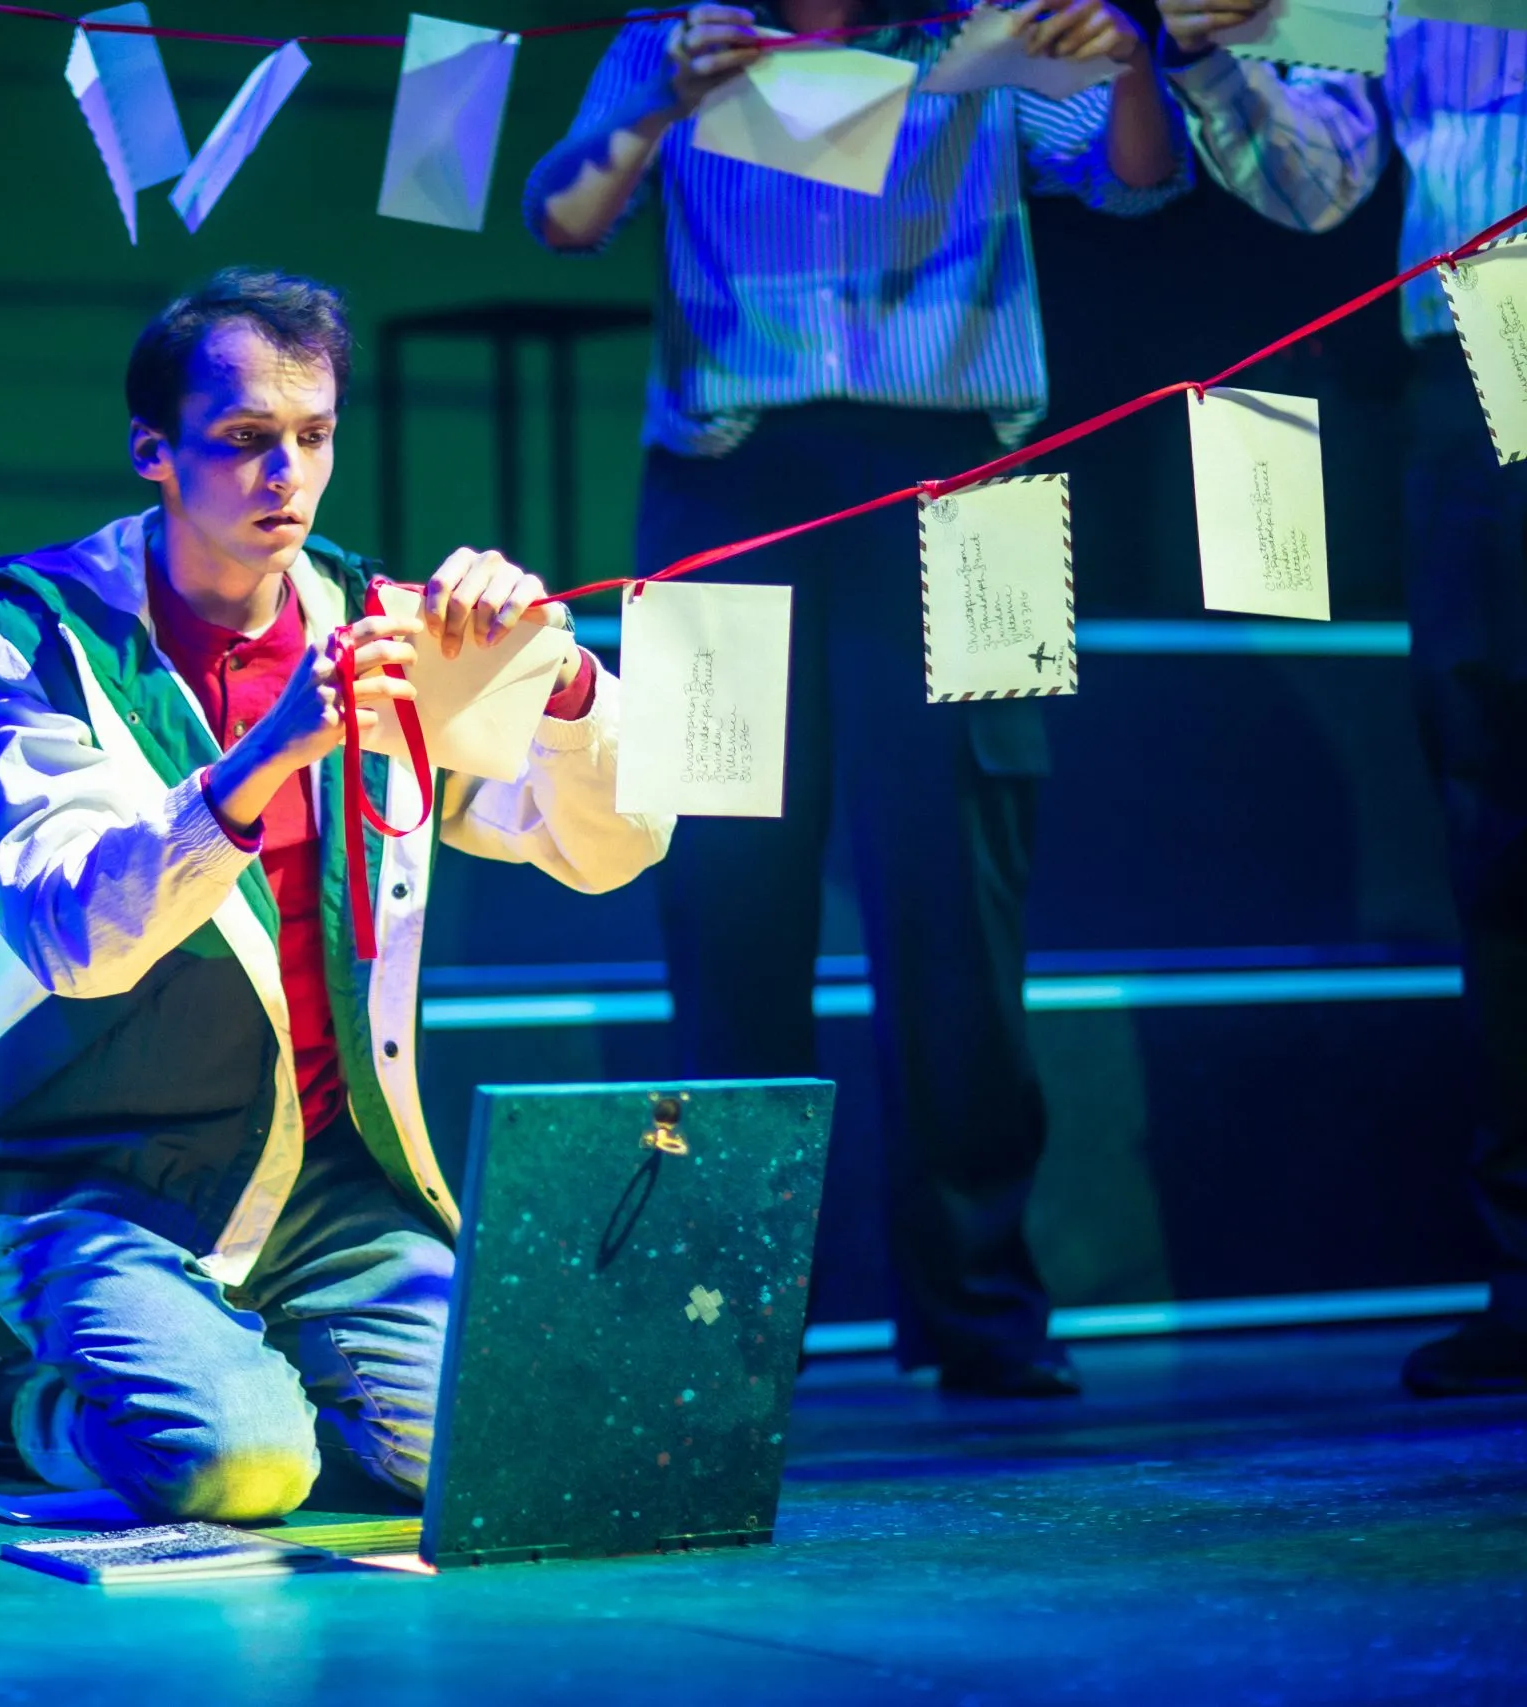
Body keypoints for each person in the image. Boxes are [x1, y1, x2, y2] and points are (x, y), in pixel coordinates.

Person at [527, 0, 1189, 1397]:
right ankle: (731, 1313)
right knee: (728, 899)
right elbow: (564, 218)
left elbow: (1138, 176)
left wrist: (1132, 59)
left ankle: (983, 1303)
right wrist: (656, 108)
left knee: (963, 894)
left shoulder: (987, 29)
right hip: (728, 475)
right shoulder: (673, 37)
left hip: (969, 480)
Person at [0, 268, 672, 1521]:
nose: (286, 474)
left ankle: (256, 1376)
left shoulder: (382, 625)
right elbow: (71, 934)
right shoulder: (28, 642)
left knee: (512, 1450)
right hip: (100, 1173)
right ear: (151, 450)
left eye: (312, 437)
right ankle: (37, 1407)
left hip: (330, 1184)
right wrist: (263, 754)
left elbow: (603, 849)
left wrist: (559, 687)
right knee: (242, 1467)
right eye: (243, 440)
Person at [1157, 0, 1527, 1397]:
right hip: (1466, 376)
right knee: (1495, 832)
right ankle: (1526, 1272)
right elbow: (1319, 185)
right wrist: (1211, 53)